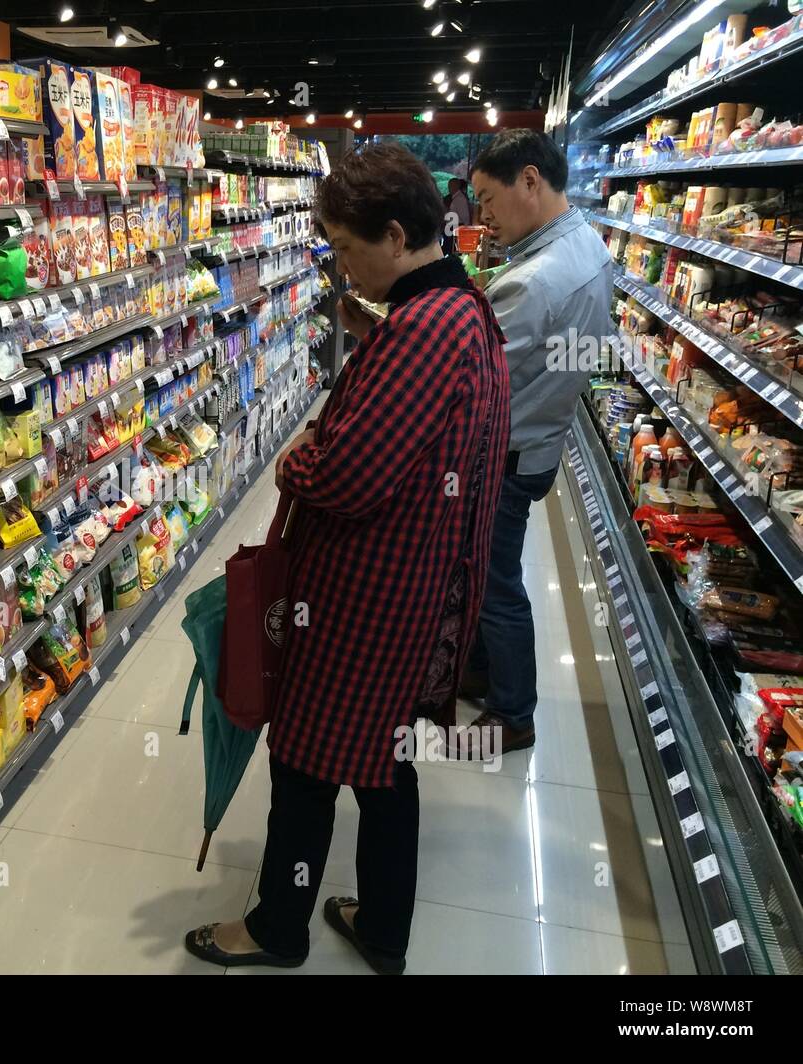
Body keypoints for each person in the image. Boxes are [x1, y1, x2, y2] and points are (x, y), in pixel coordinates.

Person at [183, 142, 510, 973]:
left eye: (345, 246)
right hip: (426, 589)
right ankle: (384, 927)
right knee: (389, 770)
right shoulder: (461, 311)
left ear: (395, 236)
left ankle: (277, 926)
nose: (338, 264)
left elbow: (346, 476)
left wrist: (298, 457)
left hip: (372, 598)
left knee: (303, 764)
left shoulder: (424, 331)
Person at [462, 129, 614, 753]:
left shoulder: (537, 281)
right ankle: (482, 671)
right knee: (485, 571)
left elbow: (467, 368)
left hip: (507, 449)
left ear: (529, 179)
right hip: (539, 440)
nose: (483, 216)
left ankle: (512, 713)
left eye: (487, 198)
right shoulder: (586, 245)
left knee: (495, 581)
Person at [442, 177, 472, 254]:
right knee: (448, 248)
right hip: (452, 226)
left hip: (456, 227)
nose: (449, 188)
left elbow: (465, 216)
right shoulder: (455, 198)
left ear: (455, 186)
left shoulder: (460, 199)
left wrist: (466, 231)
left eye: (450, 186)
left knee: (451, 249)